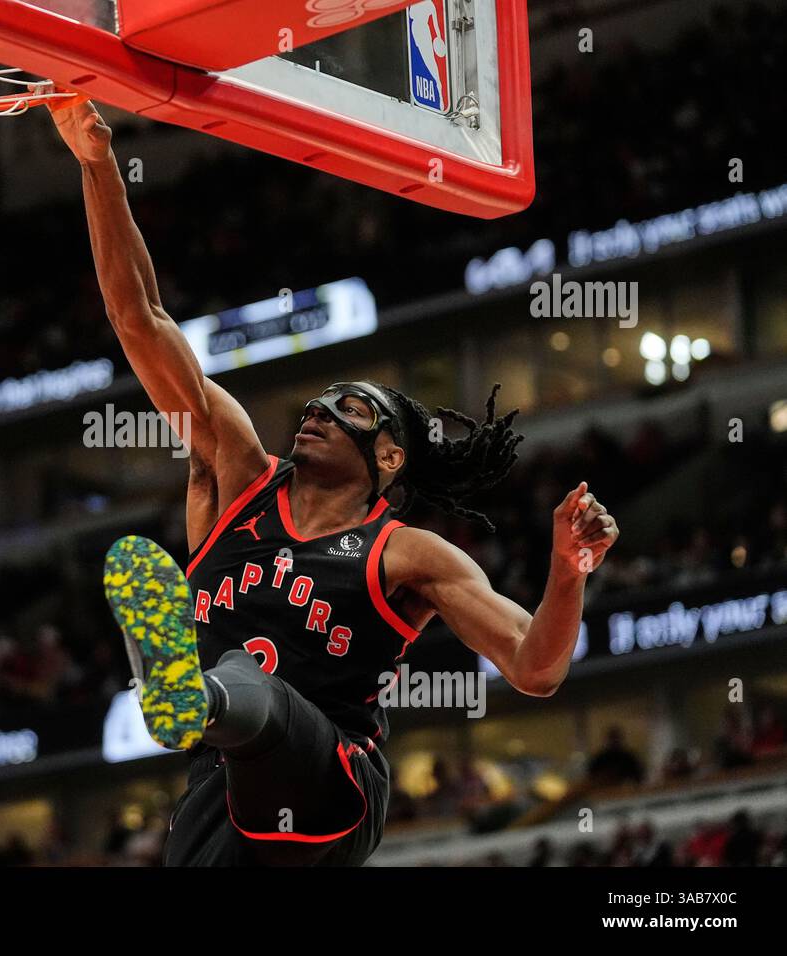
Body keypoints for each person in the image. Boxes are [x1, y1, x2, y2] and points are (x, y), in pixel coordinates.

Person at [52, 99, 620, 866]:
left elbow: (536, 667)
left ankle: (194, 692)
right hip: (216, 797)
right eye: (318, 402)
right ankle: (195, 697)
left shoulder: (406, 554)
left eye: (348, 410)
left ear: (389, 459)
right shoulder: (238, 473)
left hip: (334, 780)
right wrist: (96, 165)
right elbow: (139, 317)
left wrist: (566, 569)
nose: (317, 410)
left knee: (254, 692)